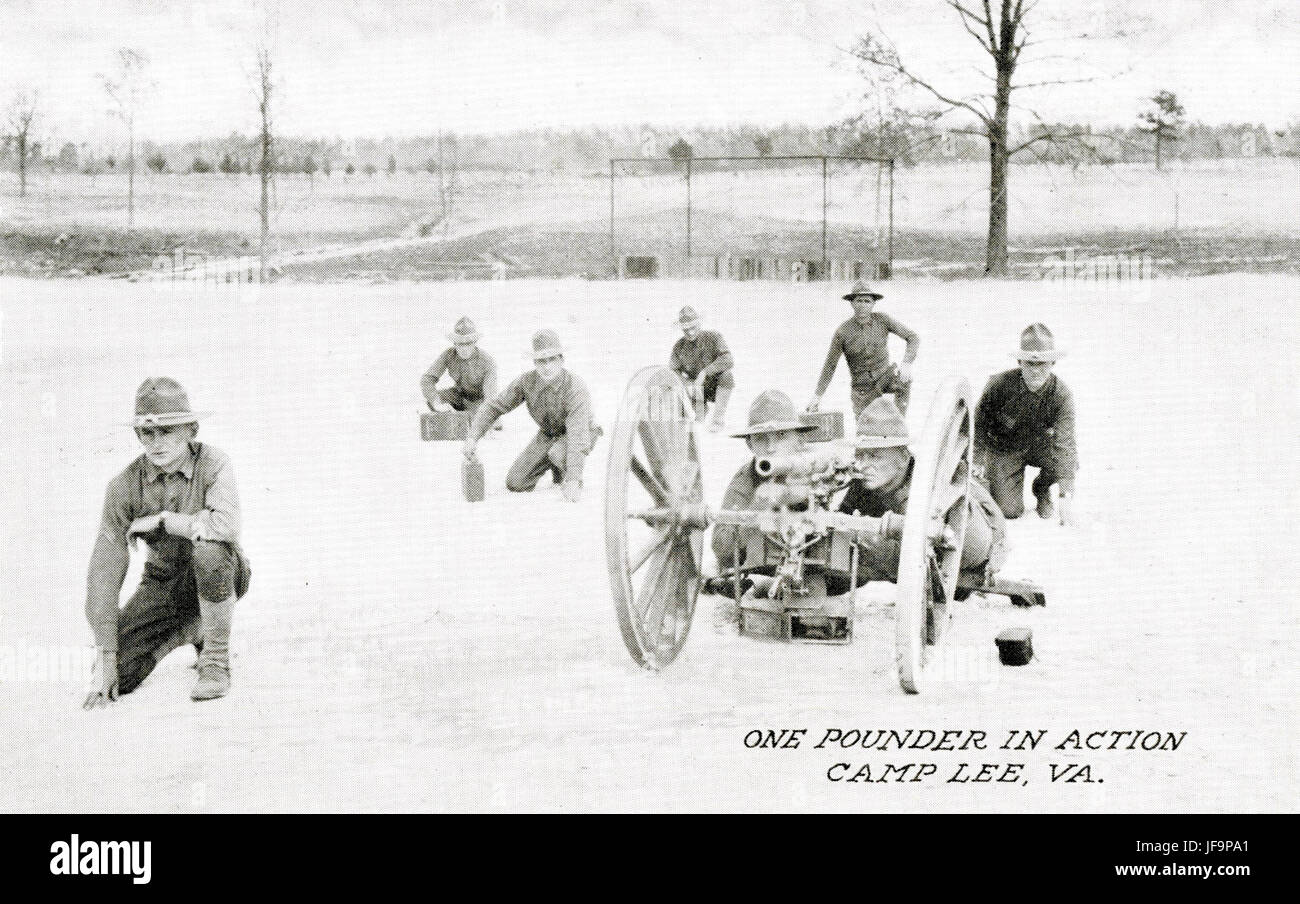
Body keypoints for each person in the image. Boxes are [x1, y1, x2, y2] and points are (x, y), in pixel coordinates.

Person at [83, 378, 252, 708]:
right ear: (138, 435)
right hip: (162, 586)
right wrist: (106, 653)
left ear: (191, 430)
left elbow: (226, 526)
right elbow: (103, 572)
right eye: (148, 433)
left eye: (167, 431)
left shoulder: (214, 463)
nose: (156, 442)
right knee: (119, 674)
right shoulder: (123, 487)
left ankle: (215, 661)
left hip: (224, 572)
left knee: (209, 548)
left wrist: (165, 521)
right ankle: (194, 628)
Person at [839, 396, 1007, 585]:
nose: (864, 465)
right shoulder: (864, 483)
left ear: (903, 458)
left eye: (875, 456)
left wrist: (996, 554)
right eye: (860, 455)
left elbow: (983, 502)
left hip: (964, 557)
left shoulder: (933, 482)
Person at [464, 329, 599, 502]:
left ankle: (563, 472)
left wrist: (574, 479)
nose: (547, 366)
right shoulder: (526, 382)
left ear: (562, 360)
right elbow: (494, 406)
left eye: (552, 359)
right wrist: (472, 437)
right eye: (541, 361)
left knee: (558, 454)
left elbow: (577, 436)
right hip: (548, 434)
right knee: (516, 483)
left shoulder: (575, 388)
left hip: (579, 433)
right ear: (534, 362)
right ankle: (554, 461)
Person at [974, 323, 1078, 525]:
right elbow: (978, 423)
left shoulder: (1062, 395)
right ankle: (998, 474)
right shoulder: (999, 385)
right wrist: (977, 458)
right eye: (1030, 363)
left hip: (1039, 445)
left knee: (1069, 461)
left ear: (1053, 363)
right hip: (1005, 448)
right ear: (1020, 362)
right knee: (1008, 511)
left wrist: (1065, 497)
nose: (1036, 371)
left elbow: (1066, 444)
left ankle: (1041, 488)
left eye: (1043, 364)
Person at [711, 390, 819, 568]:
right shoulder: (745, 481)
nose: (771, 448)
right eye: (761, 439)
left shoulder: (815, 467)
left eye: (781, 435)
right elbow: (723, 550)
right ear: (750, 444)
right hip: (766, 569)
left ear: (800, 440)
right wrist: (759, 506)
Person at [807, 280, 919, 417]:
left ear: (873, 304)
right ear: (852, 303)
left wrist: (907, 362)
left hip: (885, 378)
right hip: (862, 388)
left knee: (905, 380)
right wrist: (817, 396)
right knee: (864, 429)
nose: (863, 305)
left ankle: (900, 422)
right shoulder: (842, 331)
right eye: (859, 301)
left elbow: (913, 337)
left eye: (867, 301)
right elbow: (830, 366)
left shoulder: (883, 320)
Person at [669, 305, 734, 432]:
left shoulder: (714, 337)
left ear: (699, 324)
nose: (690, 332)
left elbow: (728, 359)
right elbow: (672, 371)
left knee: (727, 376)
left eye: (693, 327)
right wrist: (687, 383)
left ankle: (718, 421)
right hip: (695, 391)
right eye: (685, 329)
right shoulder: (679, 346)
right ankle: (699, 415)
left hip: (714, 386)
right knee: (695, 427)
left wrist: (705, 372)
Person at [420, 316, 498, 422]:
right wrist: (437, 403)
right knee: (432, 401)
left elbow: (490, 396)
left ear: (475, 343)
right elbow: (427, 379)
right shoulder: (448, 354)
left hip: (479, 401)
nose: (464, 348)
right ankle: (457, 415)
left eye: (468, 343)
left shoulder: (487, 361)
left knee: (483, 418)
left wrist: (488, 415)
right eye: (460, 344)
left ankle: (468, 418)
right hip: (458, 396)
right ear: (454, 343)